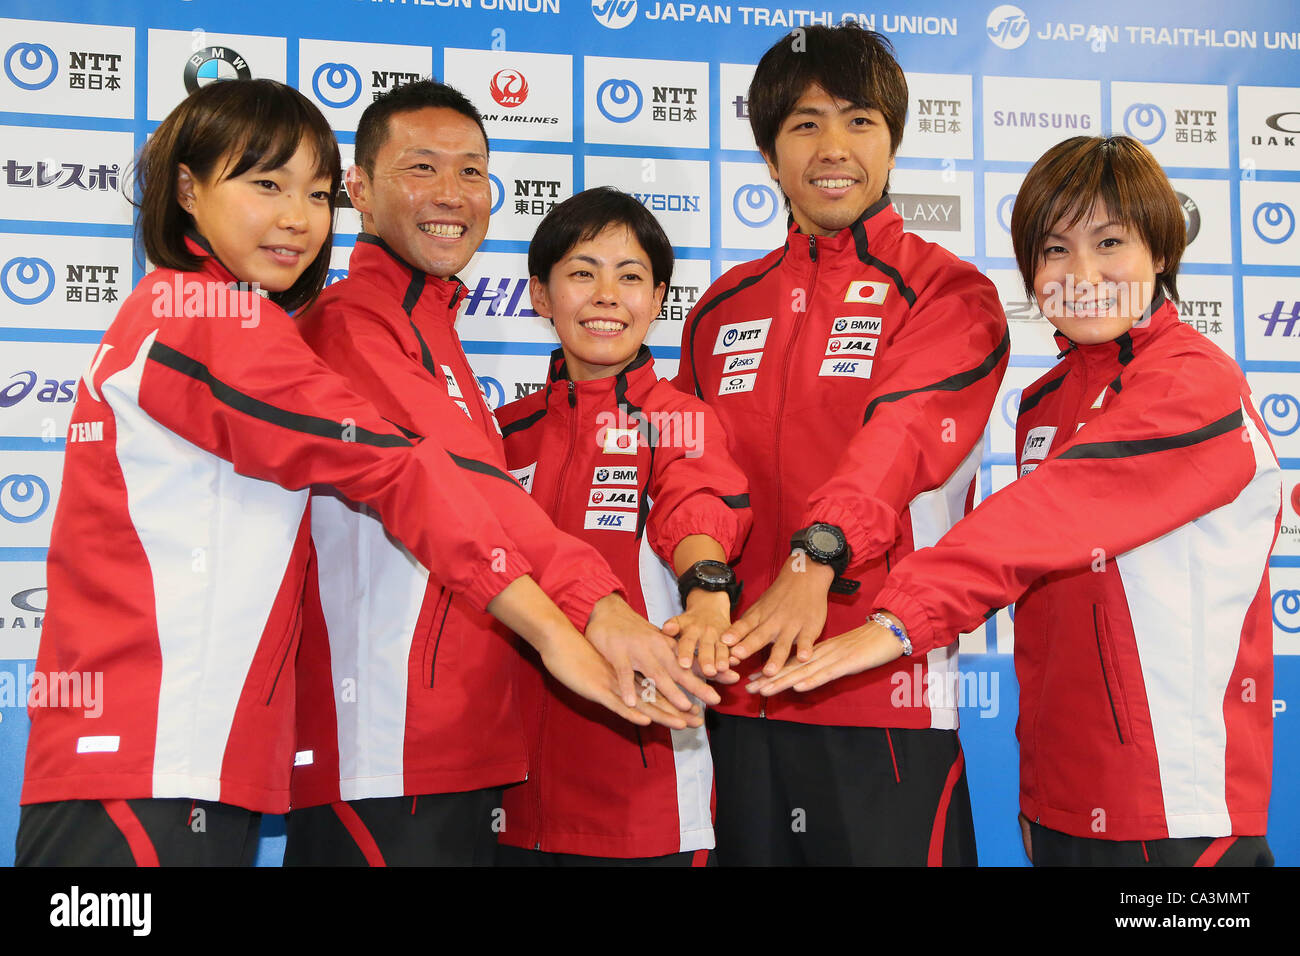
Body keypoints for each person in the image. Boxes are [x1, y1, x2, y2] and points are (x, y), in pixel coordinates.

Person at [15, 79, 673, 867]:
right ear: (187, 190)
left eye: (314, 193)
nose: (297, 217)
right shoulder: (202, 316)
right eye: (266, 185)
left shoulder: (230, 316)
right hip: (151, 761)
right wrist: (567, 623)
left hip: (188, 762)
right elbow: (400, 470)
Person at [751, 135, 1279, 867]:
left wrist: (898, 620)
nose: (1081, 275)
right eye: (1055, 250)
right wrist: (1043, 796)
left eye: (1110, 243)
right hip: (1061, 806)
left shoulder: (1193, 383)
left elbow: (1048, 515)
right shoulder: (1045, 401)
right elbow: (1047, 610)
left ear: (1161, 252)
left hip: (1178, 811)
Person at [285, 84, 715, 866]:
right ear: (359, 190)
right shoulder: (353, 324)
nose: (451, 193)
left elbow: (704, 500)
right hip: (383, 745)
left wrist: (707, 590)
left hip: (459, 752)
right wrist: (597, 608)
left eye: (472, 171)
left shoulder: (432, 329)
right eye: (422, 167)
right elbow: (460, 487)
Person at [674, 24, 1008, 865]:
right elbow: (690, 472)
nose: (834, 147)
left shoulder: (947, 293)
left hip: (881, 698)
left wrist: (816, 555)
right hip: (734, 700)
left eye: (860, 120)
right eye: (805, 123)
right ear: (768, 154)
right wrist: (704, 584)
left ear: (892, 143)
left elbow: (901, 437)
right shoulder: (719, 310)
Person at [492, 188, 752, 866]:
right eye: (583, 273)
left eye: (630, 276)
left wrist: (708, 592)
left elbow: (697, 504)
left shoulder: (678, 418)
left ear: (659, 298)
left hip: (645, 795)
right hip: (504, 798)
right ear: (541, 296)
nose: (607, 295)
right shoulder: (501, 433)